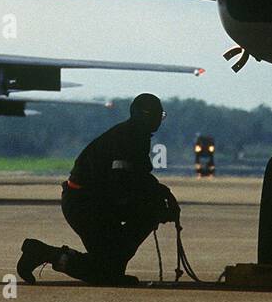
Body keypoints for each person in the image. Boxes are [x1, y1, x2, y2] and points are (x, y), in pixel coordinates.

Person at [17, 93, 179, 285]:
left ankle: (59, 256)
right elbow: (122, 182)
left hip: (90, 202)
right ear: (144, 115)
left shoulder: (135, 135)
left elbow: (134, 179)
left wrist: (160, 193)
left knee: (109, 265)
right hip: (86, 206)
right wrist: (155, 199)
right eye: (156, 115)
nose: (158, 121)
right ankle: (48, 254)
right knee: (107, 270)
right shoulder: (128, 138)